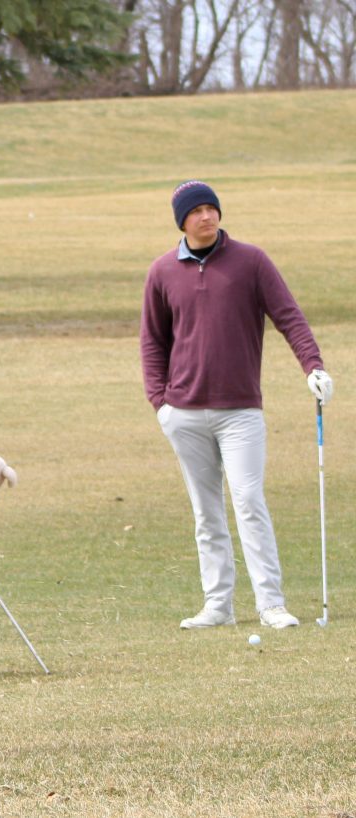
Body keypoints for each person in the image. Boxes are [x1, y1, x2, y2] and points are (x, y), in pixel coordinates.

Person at [140, 180, 334, 631]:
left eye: (212, 208)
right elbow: (153, 342)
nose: (207, 216)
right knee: (206, 511)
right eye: (197, 211)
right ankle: (218, 605)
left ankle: (271, 603)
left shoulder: (251, 262)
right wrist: (160, 403)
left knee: (248, 500)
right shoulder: (162, 271)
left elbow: (290, 317)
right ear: (182, 220)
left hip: (240, 409)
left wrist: (313, 366)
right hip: (183, 412)